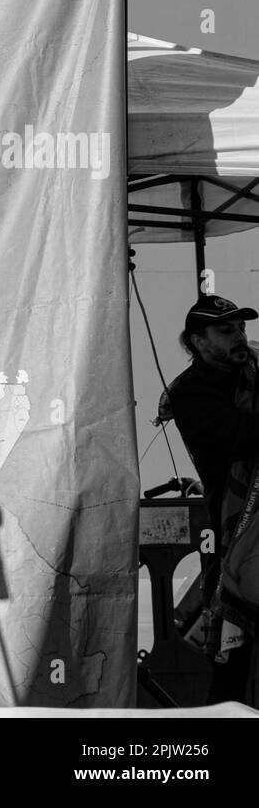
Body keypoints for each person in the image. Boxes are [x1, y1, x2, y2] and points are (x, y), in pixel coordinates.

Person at [164, 294, 259, 703]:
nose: (239, 335)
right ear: (198, 341)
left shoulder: (254, 372)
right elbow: (241, 437)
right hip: (236, 529)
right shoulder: (190, 393)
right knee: (233, 655)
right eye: (226, 330)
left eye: (241, 327)